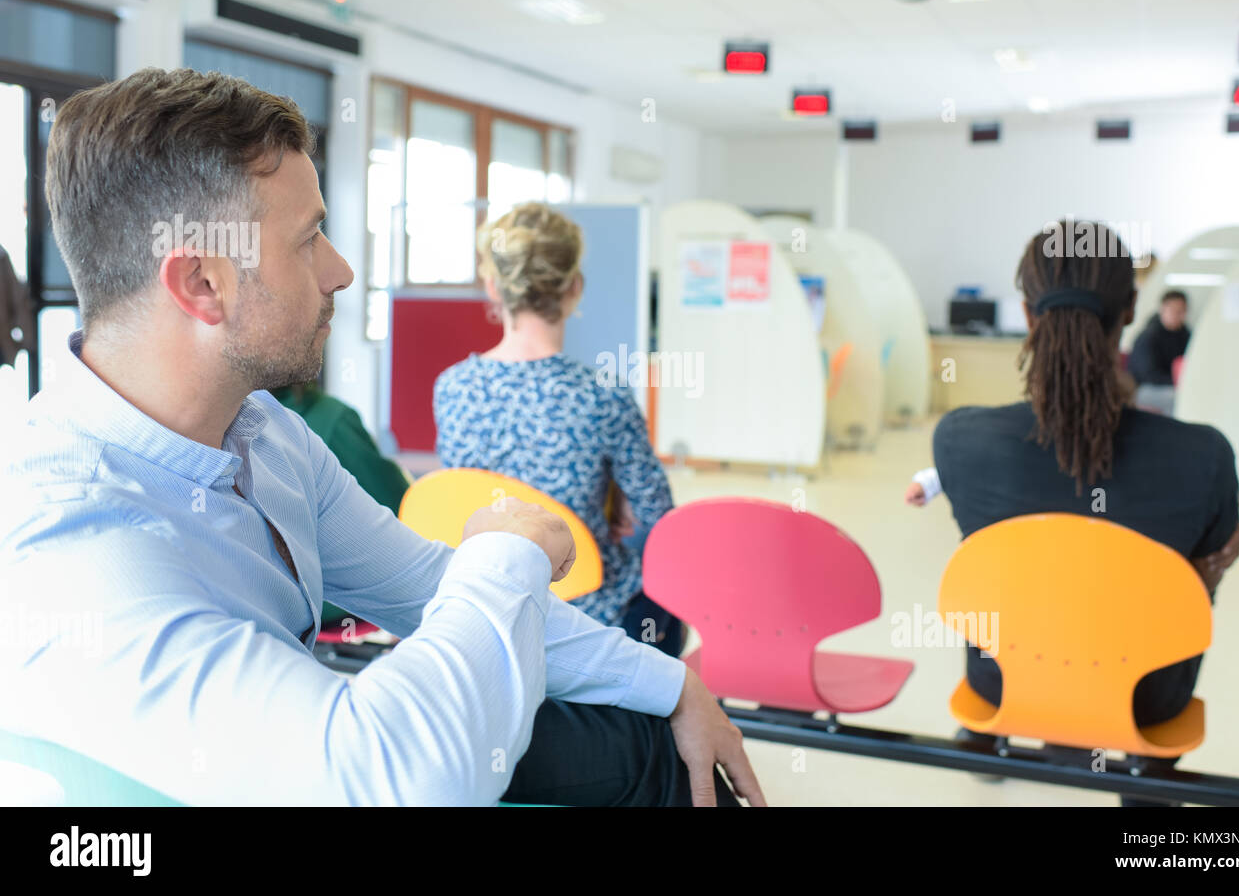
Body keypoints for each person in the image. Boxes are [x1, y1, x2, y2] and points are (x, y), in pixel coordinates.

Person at [0, 68, 763, 807]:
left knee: (645, 739)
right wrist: (511, 548)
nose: (340, 270)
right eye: (309, 240)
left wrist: (674, 685)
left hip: (319, 755)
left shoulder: (264, 434)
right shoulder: (69, 532)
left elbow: (428, 585)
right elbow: (396, 780)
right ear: (201, 283)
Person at [931, 220, 1239, 803]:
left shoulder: (959, 439)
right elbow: (1207, 572)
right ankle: (1149, 779)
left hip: (1003, 682)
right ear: (1129, 310)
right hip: (1145, 696)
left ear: (1026, 315)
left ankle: (988, 729)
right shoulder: (1204, 455)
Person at [435, 202, 684, 656]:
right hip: (589, 609)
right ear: (575, 289)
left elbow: (469, 495)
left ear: (493, 287)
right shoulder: (602, 394)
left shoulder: (452, 388)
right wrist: (613, 497)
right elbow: (660, 513)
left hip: (493, 601)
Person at [271, 380, 412, 626]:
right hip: (332, 608)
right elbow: (400, 506)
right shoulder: (333, 418)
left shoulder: (224, 422)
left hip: (275, 612)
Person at [1127, 289, 1190, 414]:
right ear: (1162, 309)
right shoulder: (1148, 336)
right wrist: (1177, 383)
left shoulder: (1185, 334)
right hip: (1143, 389)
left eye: (1182, 311)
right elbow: (1149, 375)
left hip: (1173, 384)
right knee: (1176, 398)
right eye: (1174, 310)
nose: (1178, 315)